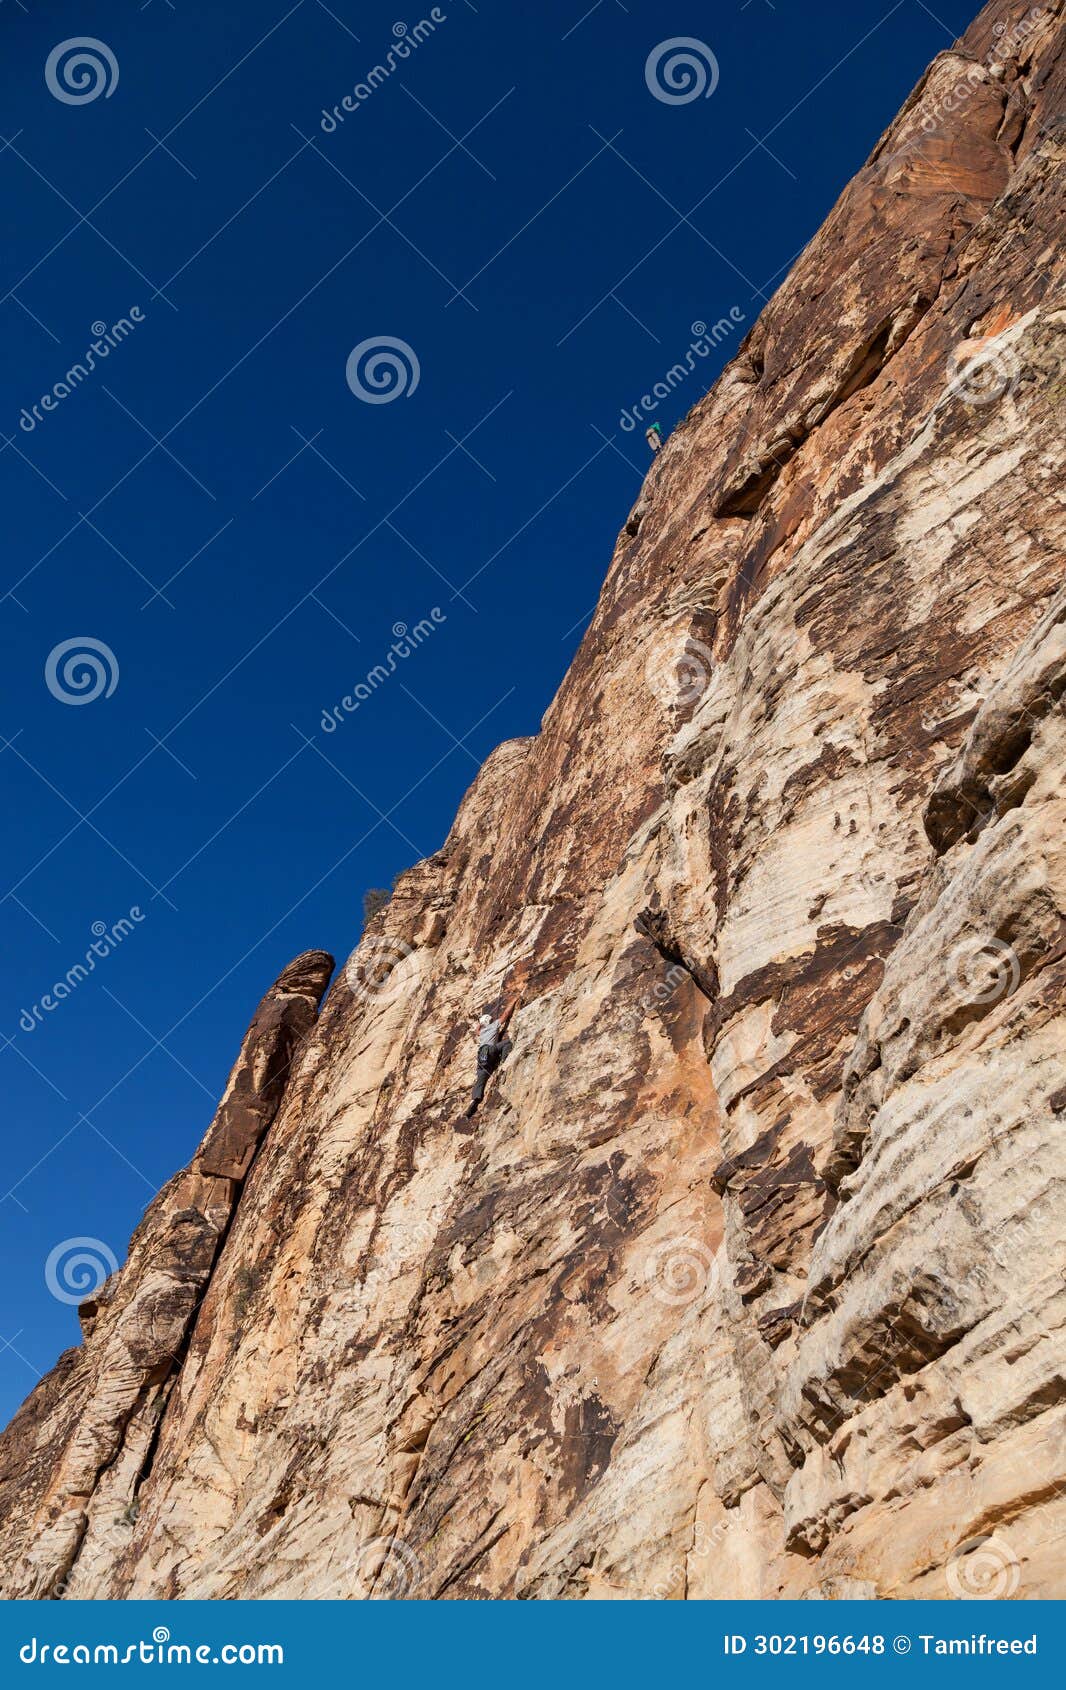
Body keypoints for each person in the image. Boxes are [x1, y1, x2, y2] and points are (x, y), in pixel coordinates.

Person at [464, 994, 520, 1118]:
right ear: (489, 1021)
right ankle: (504, 1061)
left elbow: (476, 1031)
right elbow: (505, 1014)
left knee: (481, 1079)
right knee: (507, 1043)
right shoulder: (493, 1026)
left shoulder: (481, 1032)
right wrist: (514, 1000)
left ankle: (475, 1100)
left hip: (481, 1058)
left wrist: (480, 1023)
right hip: (491, 1051)